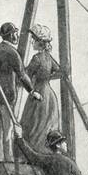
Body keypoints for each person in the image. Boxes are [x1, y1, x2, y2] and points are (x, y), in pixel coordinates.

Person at [0, 21, 41, 160]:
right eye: (15, 33)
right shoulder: (12, 52)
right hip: (8, 94)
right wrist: (32, 91)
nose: (17, 35)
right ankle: (8, 158)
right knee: (8, 127)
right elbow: (22, 74)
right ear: (10, 35)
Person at [18, 23, 61, 151]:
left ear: (39, 42)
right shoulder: (48, 57)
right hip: (49, 94)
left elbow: (26, 74)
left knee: (34, 122)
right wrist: (46, 75)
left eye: (34, 40)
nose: (32, 42)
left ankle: (33, 149)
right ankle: (46, 148)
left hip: (38, 93)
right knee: (46, 121)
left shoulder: (36, 58)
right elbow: (58, 70)